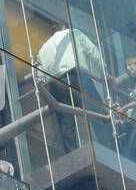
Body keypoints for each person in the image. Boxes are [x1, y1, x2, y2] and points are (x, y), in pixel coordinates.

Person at [36, 24, 107, 153]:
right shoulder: (73, 32)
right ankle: (108, 144)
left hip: (56, 82)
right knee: (96, 111)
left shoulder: (44, 48)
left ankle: (72, 152)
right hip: (77, 75)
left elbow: (41, 74)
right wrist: (105, 73)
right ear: (64, 27)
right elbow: (93, 52)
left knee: (66, 119)